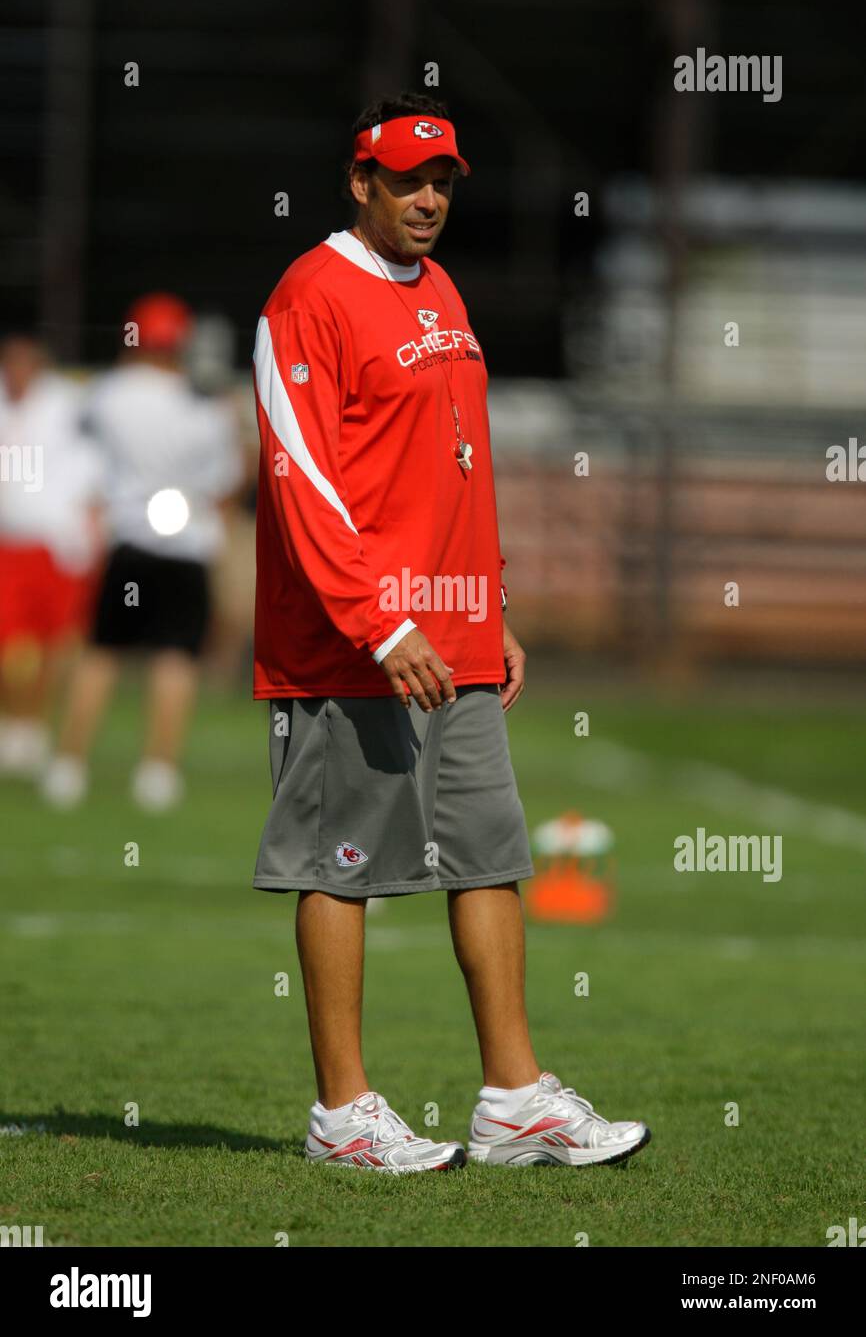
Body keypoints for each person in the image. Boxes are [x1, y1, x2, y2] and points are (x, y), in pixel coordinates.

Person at [251, 92, 652, 1171]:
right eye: (407, 179)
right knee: (341, 867)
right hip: (354, 644)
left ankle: (513, 1099)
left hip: (457, 635)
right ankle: (342, 1115)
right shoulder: (308, 296)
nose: (428, 198)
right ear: (359, 182)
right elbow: (301, 482)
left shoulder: (442, 288)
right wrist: (383, 624)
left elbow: (453, 463)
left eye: (442, 181)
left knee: (487, 857)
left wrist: (492, 601)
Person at [42, 294, 243, 811]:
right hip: (187, 545)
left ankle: (68, 765)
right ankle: (158, 772)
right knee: (175, 659)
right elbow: (225, 483)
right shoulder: (206, 404)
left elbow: (78, 451)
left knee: (101, 652)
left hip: (128, 538)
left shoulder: (108, 393)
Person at [0, 333, 102, 776]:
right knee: (11, 640)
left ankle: (37, 728)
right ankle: (15, 723)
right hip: (11, 539)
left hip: (57, 541)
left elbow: (91, 464)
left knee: (55, 642)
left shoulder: (66, 404)